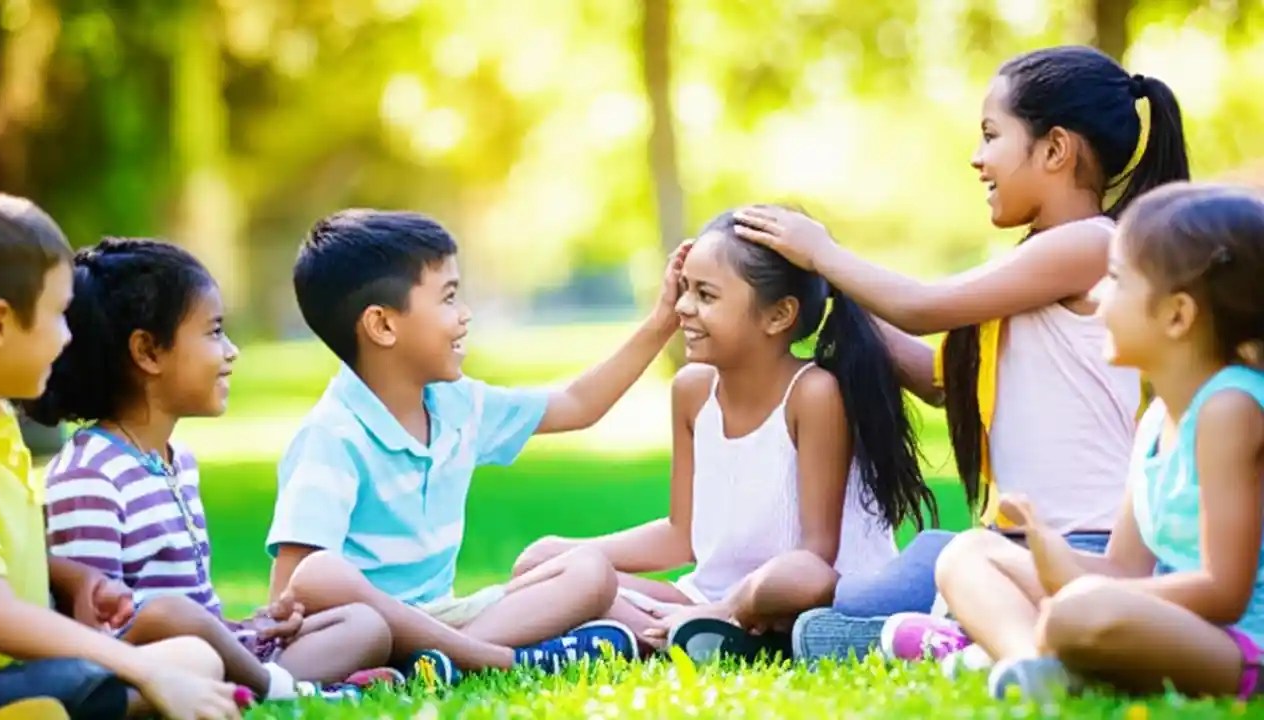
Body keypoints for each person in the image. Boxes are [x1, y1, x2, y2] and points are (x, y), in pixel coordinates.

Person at [732, 45, 1191, 664]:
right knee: (859, 594)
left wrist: (824, 253)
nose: (978, 159)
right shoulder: (1039, 261)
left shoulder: (1089, 245)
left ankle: (960, 637)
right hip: (1009, 541)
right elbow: (938, 380)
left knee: (859, 606)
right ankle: (938, 634)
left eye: (991, 135)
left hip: (1080, 542)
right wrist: (837, 296)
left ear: (1055, 149)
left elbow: (923, 306)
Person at [266, 210, 688, 675]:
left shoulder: (457, 406)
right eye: (448, 298)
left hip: (444, 619)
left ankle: (440, 660)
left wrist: (660, 323)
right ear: (383, 326)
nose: (464, 315)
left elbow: (576, 404)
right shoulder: (332, 438)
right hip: (368, 626)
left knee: (588, 573)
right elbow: (295, 590)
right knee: (329, 577)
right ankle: (498, 660)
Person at [513, 211, 938, 662]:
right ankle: (690, 637)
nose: (682, 307)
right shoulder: (693, 390)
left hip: (798, 600)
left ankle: (693, 633)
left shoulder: (812, 394)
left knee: (789, 582)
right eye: (685, 289)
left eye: (705, 294)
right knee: (541, 566)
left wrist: (725, 607)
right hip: (705, 598)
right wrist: (572, 551)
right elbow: (683, 535)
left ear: (778, 315)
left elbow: (815, 560)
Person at [25, 237, 405, 703]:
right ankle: (286, 691)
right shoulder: (89, 475)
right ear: (147, 352)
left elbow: (202, 603)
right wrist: (201, 628)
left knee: (364, 623)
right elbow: (99, 625)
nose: (231, 351)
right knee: (171, 613)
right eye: (214, 332)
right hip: (154, 657)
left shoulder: (178, 461)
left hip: (215, 645)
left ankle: (266, 685)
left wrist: (248, 627)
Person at [936, 184, 1264, 701]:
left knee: (1086, 609)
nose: (1096, 297)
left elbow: (1223, 593)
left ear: (1178, 315)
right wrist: (1057, 561)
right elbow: (1125, 567)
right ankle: (1033, 664)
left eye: (1115, 280)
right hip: (1159, 620)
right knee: (967, 554)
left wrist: (1087, 594)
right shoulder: (1157, 418)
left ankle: (1039, 648)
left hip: (1241, 647)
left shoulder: (1231, 409)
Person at [0, 191, 239, 720]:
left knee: (193, 657)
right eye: (58, 316)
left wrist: (72, 579)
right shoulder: (81, 465)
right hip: (8, 681)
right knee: (171, 663)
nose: (69, 337)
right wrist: (145, 668)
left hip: (20, 674)